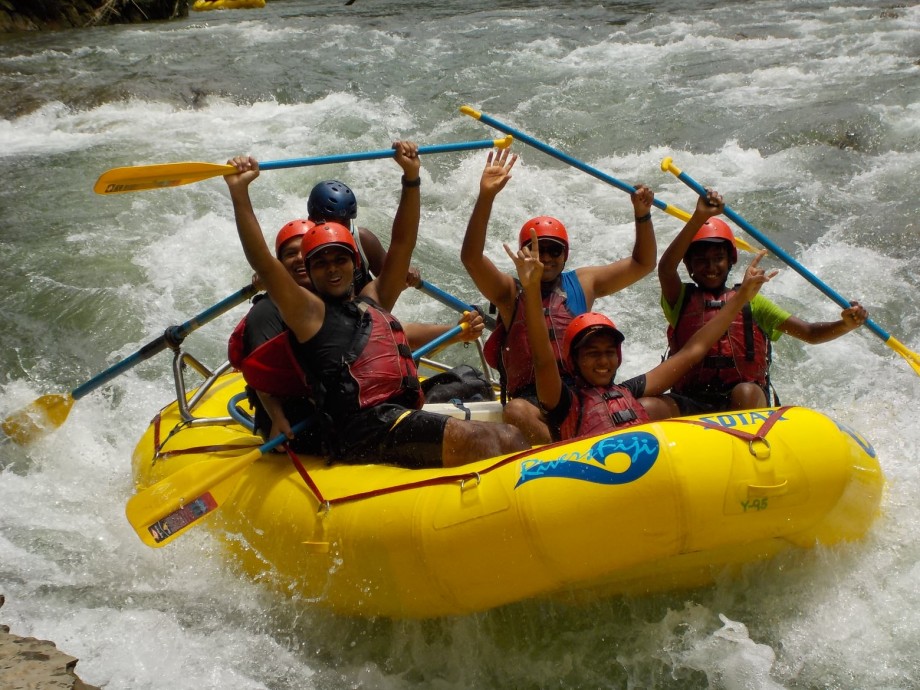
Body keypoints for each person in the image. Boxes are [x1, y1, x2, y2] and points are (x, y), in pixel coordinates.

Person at [223, 141, 529, 468]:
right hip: (362, 430)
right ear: (310, 271)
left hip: (397, 415)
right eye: (321, 262)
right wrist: (240, 194)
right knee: (502, 440)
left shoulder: (374, 299)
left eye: (339, 259)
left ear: (354, 263)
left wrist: (411, 178)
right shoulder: (309, 315)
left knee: (508, 434)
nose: (331, 268)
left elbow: (402, 243)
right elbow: (264, 262)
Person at [229, 218, 485, 449]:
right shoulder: (270, 310)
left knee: (471, 384)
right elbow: (262, 374)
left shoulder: (342, 303)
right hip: (305, 420)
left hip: (365, 407)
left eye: (303, 251)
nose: (298, 260)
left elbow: (391, 332)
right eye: (290, 254)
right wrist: (277, 417)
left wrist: (455, 333)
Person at [460, 147, 658, 444]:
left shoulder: (584, 282)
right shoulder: (509, 292)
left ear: (566, 255)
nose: (547, 257)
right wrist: (486, 196)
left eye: (555, 250)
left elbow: (643, 264)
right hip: (534, 399)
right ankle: (568, 454)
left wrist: (642, 215)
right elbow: (471, 258)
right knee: (516, 411)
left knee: (655, 404)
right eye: (537, 248)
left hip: (582, 391)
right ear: (523, 252)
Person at [505, 228, 776, 441]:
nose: (603, 361)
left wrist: (740, 299)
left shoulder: (628, 390)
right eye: (592, 354)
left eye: (609, 352)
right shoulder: (564, 403)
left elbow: (695, 349)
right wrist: (530, 289)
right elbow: (542, 358)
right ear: (574, 360)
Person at [643, 190, 869, 418]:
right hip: (690, 399)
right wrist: (698, 217)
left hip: (744, 401)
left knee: (746, 392)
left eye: (718, 258)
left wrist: (845, 325)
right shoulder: (679, 299)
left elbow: (810, 333)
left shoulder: (753, 302)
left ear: (731, 260)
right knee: (647, 406)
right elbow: (666, 268)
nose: (710, 266)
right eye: (701, 260)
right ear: (689, 265)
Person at [307, 178, 420, 290]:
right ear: (311, 220)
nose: (338, 230)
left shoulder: (363, 240)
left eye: (344, 222)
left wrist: (404, 272)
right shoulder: (299, 249)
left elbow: (395, 280)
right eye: (332, 222)